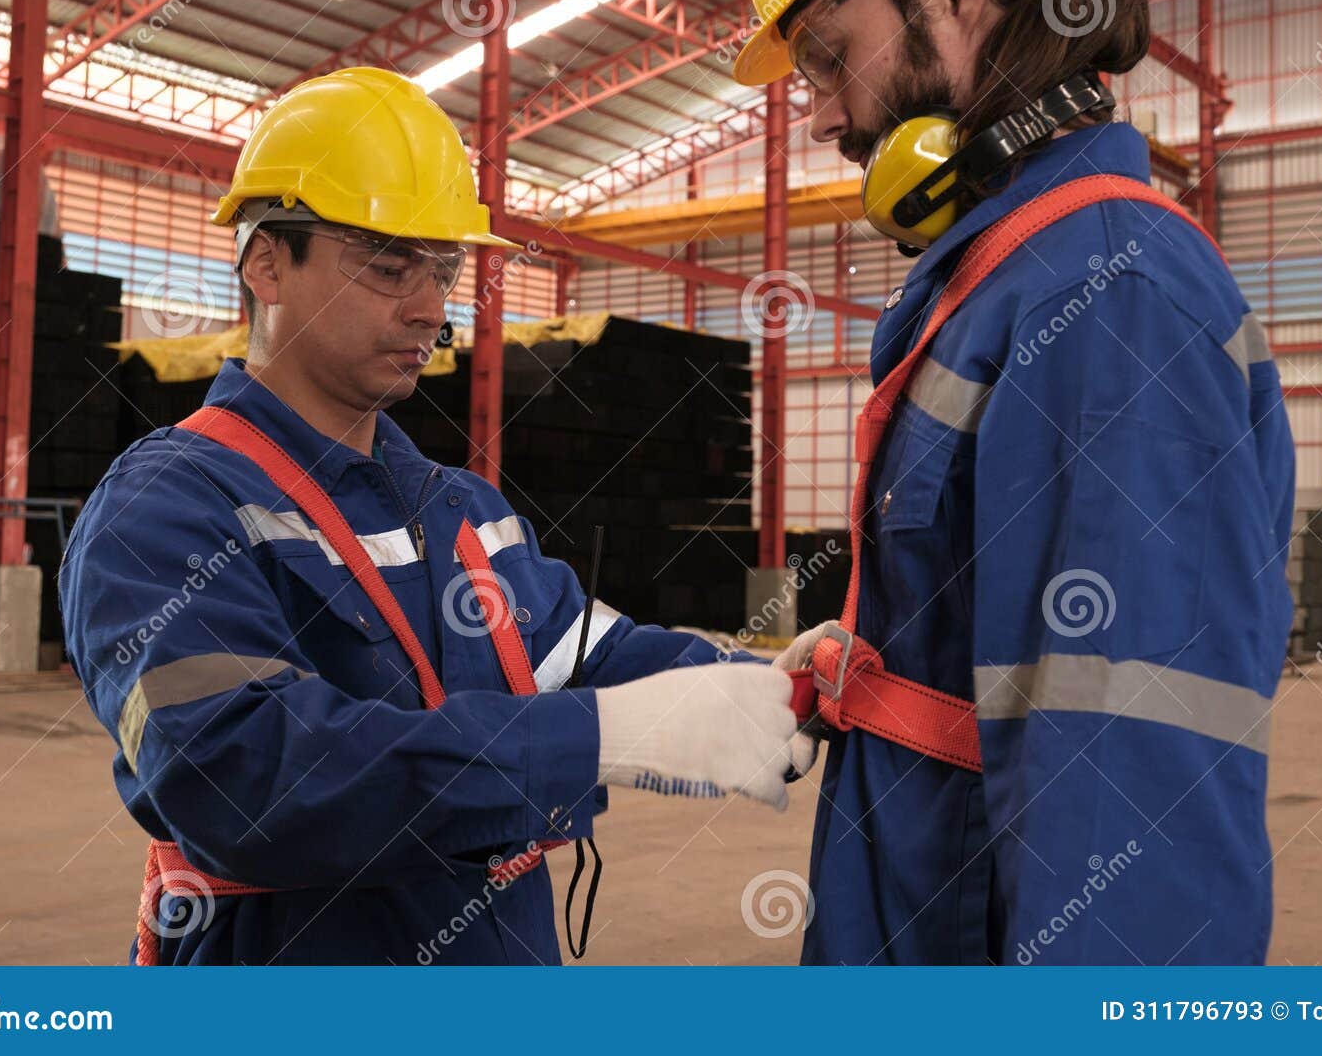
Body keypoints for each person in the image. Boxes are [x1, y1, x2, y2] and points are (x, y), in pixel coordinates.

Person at [59, 66, 811, 965]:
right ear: (267, 264)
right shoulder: (166, 510)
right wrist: (606, 737)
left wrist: (765, 681)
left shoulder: (465, 513)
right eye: (387, 267)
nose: (432, 309)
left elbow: (588, 654)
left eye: (444, 270)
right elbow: (248, 781)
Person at [733, 0, 1295, 963]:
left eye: (824, 58)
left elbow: (1130, 786)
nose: (817, 117)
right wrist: (883, 655)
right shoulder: (1008, 281)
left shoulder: (1110, 293)